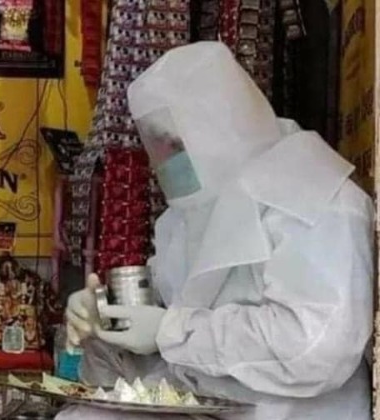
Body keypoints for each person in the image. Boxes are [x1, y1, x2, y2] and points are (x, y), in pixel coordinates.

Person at [61, 42, 373, 419]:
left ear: (218, 126)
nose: (166, 162)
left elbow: (315, 347)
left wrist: (171, 331)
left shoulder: (317, 198)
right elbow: (165, 356)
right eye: (156, 146)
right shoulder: (185, 219)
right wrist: (106, 324)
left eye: (173, 144)